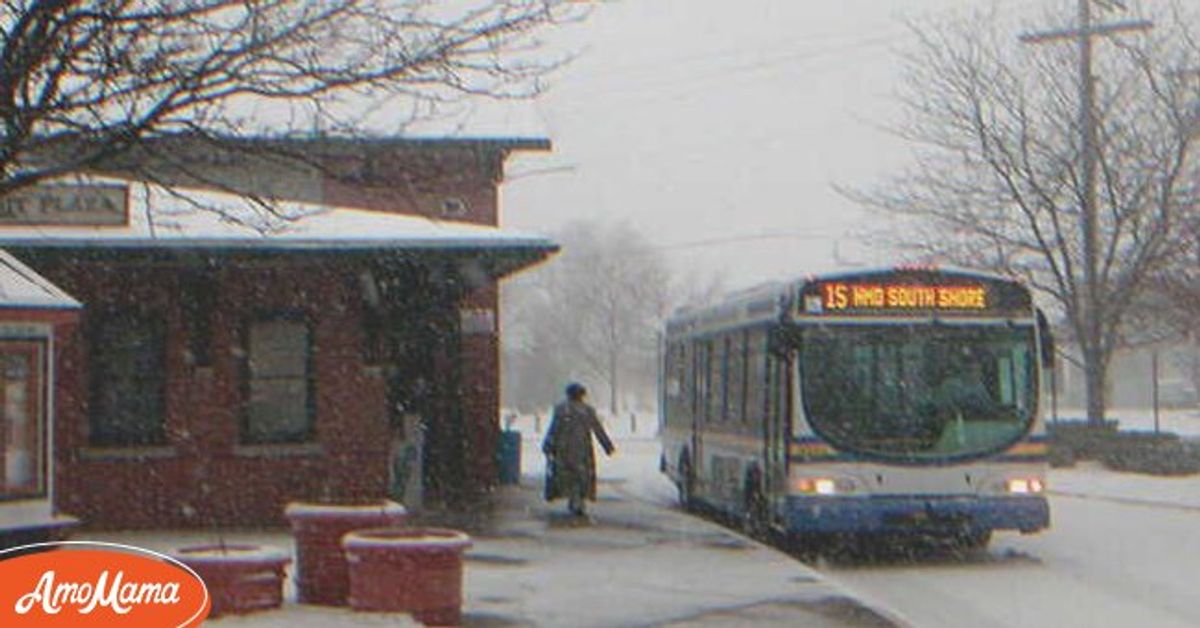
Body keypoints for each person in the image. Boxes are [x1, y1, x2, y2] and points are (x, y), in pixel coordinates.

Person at [542, 383, 615, 517]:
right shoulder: (587, 411)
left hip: (563, 449)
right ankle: (578, 500)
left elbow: (554, 429)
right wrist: (607, 446)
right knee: (580, 476)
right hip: (582, 450)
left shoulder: (561, 410)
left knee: (567, 475)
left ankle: (573, 498)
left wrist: (548, 445)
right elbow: (598, 429)